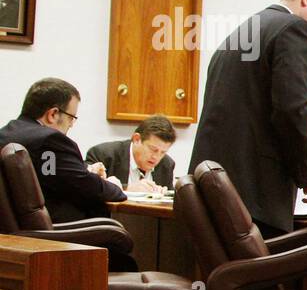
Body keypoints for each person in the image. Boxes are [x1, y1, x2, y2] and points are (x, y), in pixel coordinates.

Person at [188, 0, 307, 239]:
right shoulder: (294, 28)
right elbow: (292, 109)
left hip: (216, 186)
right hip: (256, 194)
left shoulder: (242, 31)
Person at [0, 78, 127, 223]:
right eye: (71, 117)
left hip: (10, 231)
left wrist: (84, 170)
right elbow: (89, 188)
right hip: (53, 232)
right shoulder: (50, 140)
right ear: (53, 114)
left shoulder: (5, 134)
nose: (72, 124)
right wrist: (116, 186)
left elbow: (51, 173)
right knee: (119, 237)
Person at [85, 114, 177, 192]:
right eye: (153, 149)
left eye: (163, 152)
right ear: (136, 139)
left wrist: (164, 195)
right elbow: (88, 188)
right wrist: (126, 188)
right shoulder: (103, 155)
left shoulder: (167, 165)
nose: (156, 157)